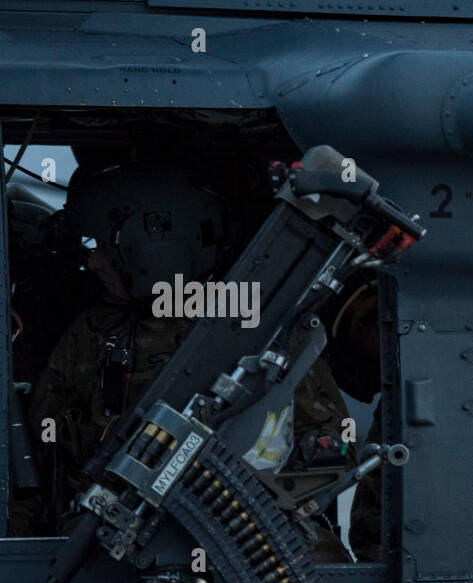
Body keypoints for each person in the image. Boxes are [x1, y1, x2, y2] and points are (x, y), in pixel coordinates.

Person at [12, 160, 353, 560]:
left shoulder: (259, 329)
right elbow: (41, 457)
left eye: (104, 249)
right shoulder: (93, 335)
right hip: (115, 533)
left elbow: (332, 447)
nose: (94, 263)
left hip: (251, 537)